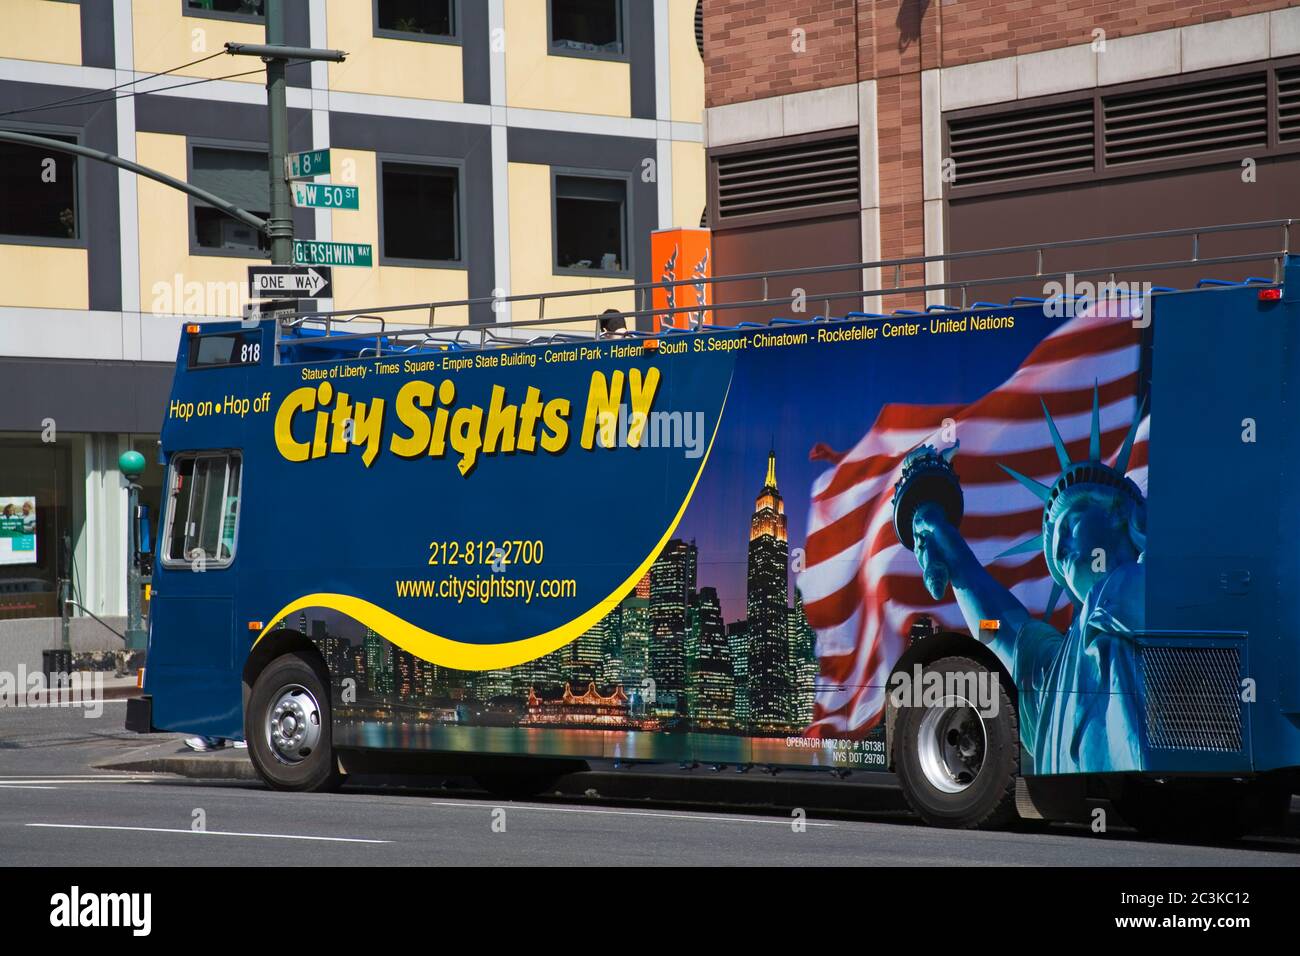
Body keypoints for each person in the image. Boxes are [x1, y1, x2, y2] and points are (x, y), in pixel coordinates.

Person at [895, 388, 1148, 774]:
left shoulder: (1154, 582)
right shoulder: (1060, 663)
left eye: (1072, 525)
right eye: (1054, 542)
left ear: (1126, 519)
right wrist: (948, 544)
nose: (1061, 550)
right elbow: (995, 628)